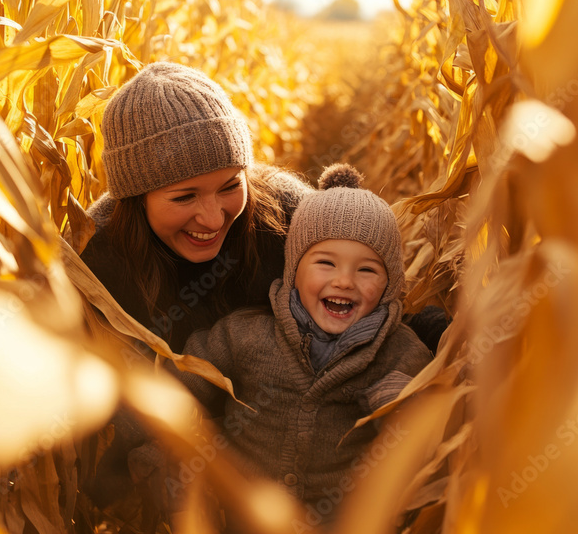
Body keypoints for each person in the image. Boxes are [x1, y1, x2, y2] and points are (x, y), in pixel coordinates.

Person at [168, 164, 434, 526]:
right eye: (325, 263)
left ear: (389, 285)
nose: (344, 281)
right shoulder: (246, 334)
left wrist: (407, 407)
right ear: (294, 269)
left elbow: (433, 445)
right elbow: (180, 381)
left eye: (367, 270)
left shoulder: (399, 354)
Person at [79, 61, 312, 354]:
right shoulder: (92, 265)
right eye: (185, 197)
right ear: (136, 198)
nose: (213, 220)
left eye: (230, 186)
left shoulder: (290, 212)